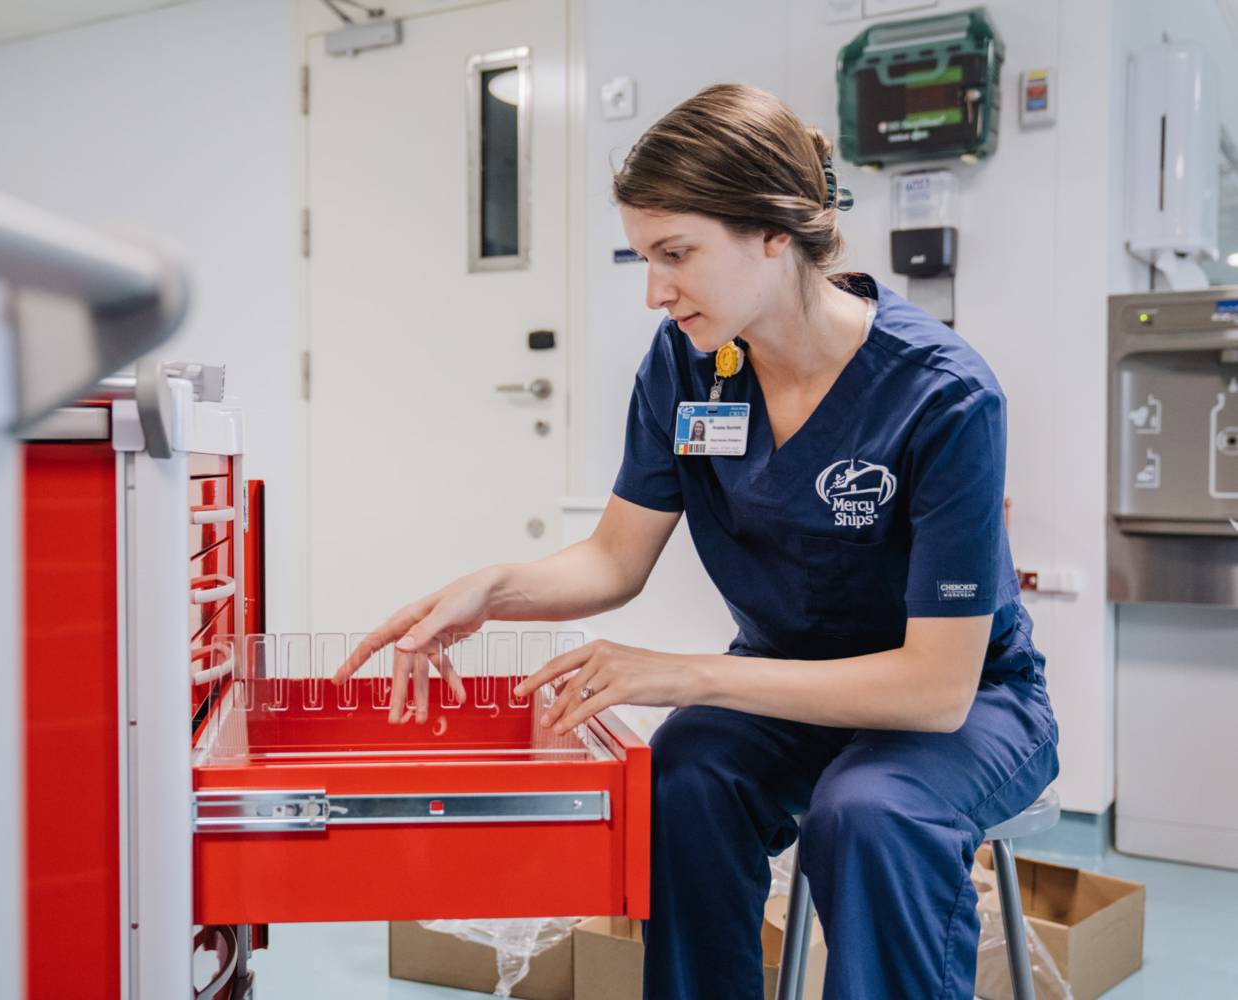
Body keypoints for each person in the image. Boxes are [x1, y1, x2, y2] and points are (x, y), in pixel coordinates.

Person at [334, 83, 1058, 1000]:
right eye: (644, 256)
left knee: (866, 813)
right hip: (787, 682)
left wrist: (684, 674)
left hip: (966, 704)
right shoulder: (686, 364)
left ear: (773, 233)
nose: (653, 290)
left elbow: (933, 686)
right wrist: (492, 588)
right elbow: (614, 559)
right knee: (680, 775)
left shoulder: (943, 395)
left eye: (676, 254)